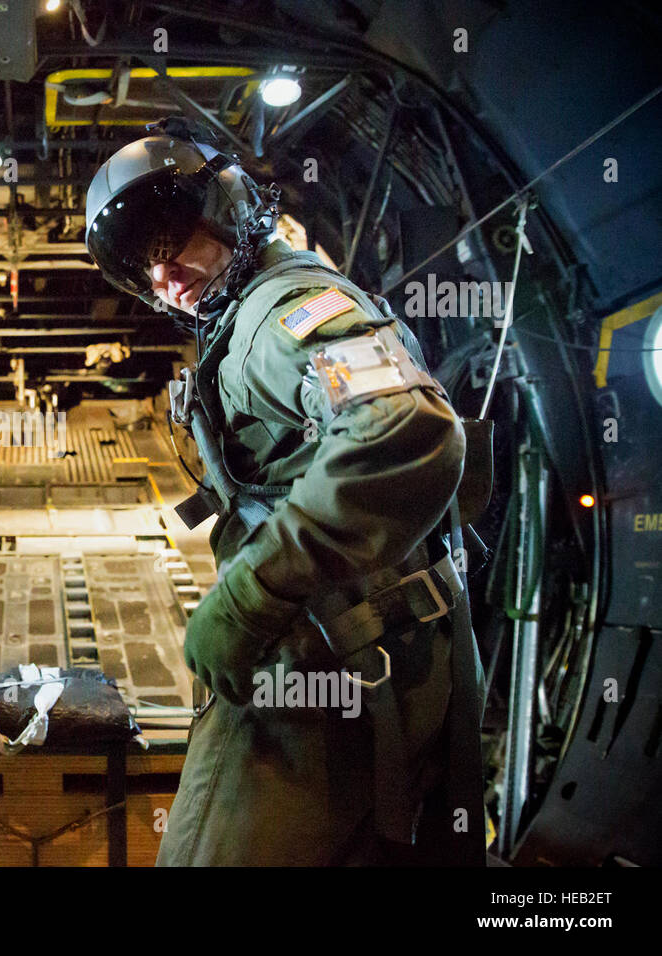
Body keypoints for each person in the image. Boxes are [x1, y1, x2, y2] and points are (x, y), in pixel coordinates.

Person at [84, 122, 486, 865]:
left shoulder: (282, 315)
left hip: (330, 668)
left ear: (230, 208)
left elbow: (407, 426)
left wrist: (251, 595)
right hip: (375, 652)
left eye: (171, 241)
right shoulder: (247, 317)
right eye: (143, 267)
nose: (164, 277)